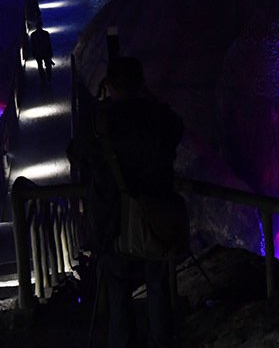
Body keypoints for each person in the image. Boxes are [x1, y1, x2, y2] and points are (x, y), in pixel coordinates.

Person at [68, 56, 184, 348]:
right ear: (141, 82)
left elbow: (75, 154)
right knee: (157, 285)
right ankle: (162, 341)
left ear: (108, 83)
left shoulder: (98, 121)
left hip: (112, 220)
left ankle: (123, 343)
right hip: (155, 215)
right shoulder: (159, 116)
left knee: (117, 290)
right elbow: (177, 129)